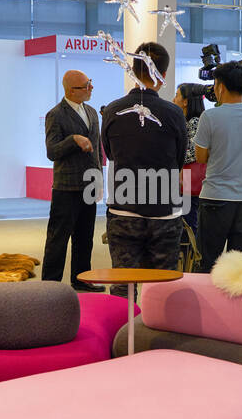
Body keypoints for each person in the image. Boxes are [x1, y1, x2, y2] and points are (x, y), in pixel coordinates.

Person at [100, 42, 187, 292]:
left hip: (123, 209)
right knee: (162, 286)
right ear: (163, 74)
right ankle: (158, 330)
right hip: (164, 212)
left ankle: (122, 330)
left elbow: (109, 153)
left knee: (122, 284)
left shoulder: (113, 111)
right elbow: (179, 159)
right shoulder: (173, 113)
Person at [193, 61, 242, 272]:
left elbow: (200, 157)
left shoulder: (209, 117)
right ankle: (235, 306)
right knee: (240, 267)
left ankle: (209, 304)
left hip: (214, 199)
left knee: (209, 261)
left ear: (220, 86)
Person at [42, 69, 103, 291]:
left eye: (90, 83)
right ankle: (50, 286)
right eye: (86, 85)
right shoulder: (55, 115)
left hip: (88, 185)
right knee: (58, 239)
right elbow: (51, 151)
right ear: (70, 90)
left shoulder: (93, 112)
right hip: (66, 188)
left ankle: (81, 279)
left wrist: (99, 180)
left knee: (85, 238)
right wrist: (73, 140)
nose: (91, 88)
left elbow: (97, 151)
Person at [173, 82, 207, 234]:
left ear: (186, 102)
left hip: (187, 179)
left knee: (187, 223)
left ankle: (190, 255)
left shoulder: (194, 122)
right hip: (187, 179)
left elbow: (192, 153)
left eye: (177, 95)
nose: (174, 99)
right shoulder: (190, 121)